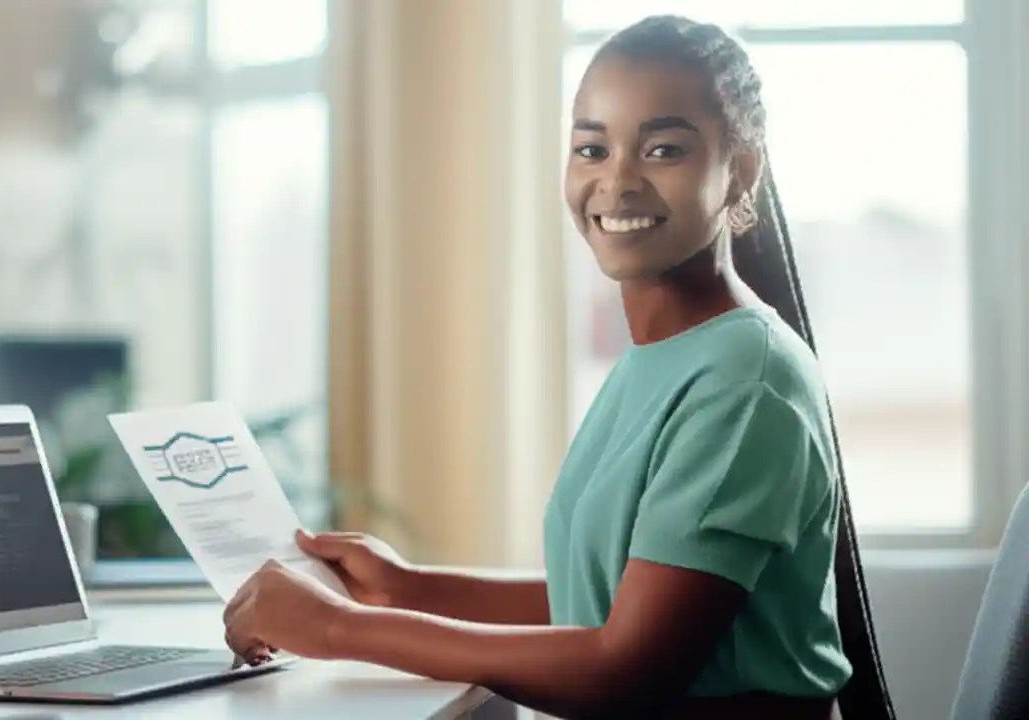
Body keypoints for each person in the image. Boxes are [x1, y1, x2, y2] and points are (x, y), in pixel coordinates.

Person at [223, 15, 852, 719]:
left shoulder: (743, 380)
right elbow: (613, 598)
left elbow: (626, 668)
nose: (617, 181)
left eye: (664, 149)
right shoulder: (667, 357)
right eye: (591, 148)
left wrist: (338, 628)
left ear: (740, 169)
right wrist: (407, 588)